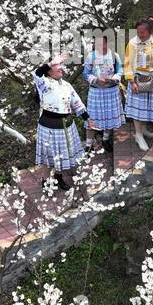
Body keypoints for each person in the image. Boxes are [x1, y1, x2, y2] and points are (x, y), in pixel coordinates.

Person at [33, 55, 98, 191]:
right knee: (49, 155)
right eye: (58, 66)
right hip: (49, 126)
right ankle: (45, 180)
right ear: (49, 70)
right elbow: (37, 74)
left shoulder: (67, 85)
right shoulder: (44, 84)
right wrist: (51, 63)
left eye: (61, 65)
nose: (62, 68)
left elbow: (77, 103)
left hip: (67, 125)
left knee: (63, 154)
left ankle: (59, 176)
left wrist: (87, 119)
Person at [123, 17, 153, 152]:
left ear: (150, 31)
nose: (140, 35)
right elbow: (127, 63)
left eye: (143, 32)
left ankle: (144, 129)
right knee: (138, 108)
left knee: (147, 106)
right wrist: (131, 81)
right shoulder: (132, 43)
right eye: (138, 32)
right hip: (138, 79)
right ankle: (138, 134)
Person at [83, 34, 124, 152]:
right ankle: (88, 145)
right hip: (96, 91)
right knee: (92, 118)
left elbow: (120, 70)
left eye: (102, 43)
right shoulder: (91, 56)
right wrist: (95, 79)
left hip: (111, 91)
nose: (100, 46)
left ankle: (106, 140)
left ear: (107, 43)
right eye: (97, 44)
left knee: (109, 117)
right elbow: (86, 73)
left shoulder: (114, 55)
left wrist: (115, 77)